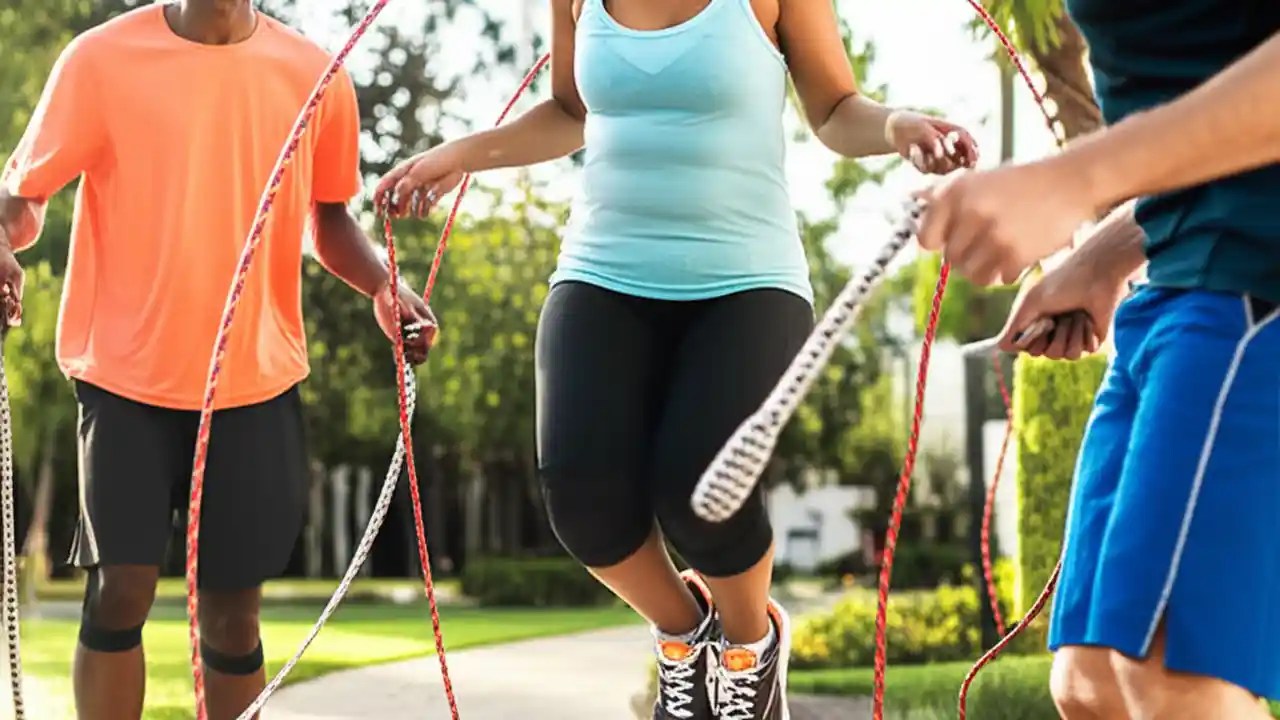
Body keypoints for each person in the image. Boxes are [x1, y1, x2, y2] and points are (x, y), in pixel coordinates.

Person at [375, 1, 977, 718]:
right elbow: (571, 111)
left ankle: (751, 649)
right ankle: (684, 632)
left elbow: (835, 107)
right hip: (602, 269)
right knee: (581, 497)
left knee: (702, 491)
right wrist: (460, 154)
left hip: (748, 279)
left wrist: (896, 125)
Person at [0, 2, 436, 719]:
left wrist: (387, 288)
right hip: (124, 374)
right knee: (121, 590)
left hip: (253, 383)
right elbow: (23, 197)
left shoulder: (313, 74)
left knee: (235, 615)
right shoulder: (99, 59)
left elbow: (327, 218)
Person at [917, 3, 1280, 719]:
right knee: (1090, 685)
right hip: (1178, 281)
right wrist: (1103, 255)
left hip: (1255, 277)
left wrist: (1070, 181)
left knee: (1171, 673)